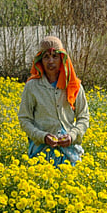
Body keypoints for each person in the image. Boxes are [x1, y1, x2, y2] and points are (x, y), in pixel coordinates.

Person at [18, 36, 89, 166]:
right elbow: (24, 119)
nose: (51, 61)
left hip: (70, 151)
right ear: (40, 60)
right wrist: (42, 136)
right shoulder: (32, 86)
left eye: (55, 56)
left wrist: (72, 136)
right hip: (41, 152)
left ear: (62, 58)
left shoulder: (74, 85)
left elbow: (83, 117)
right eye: (46, 57)